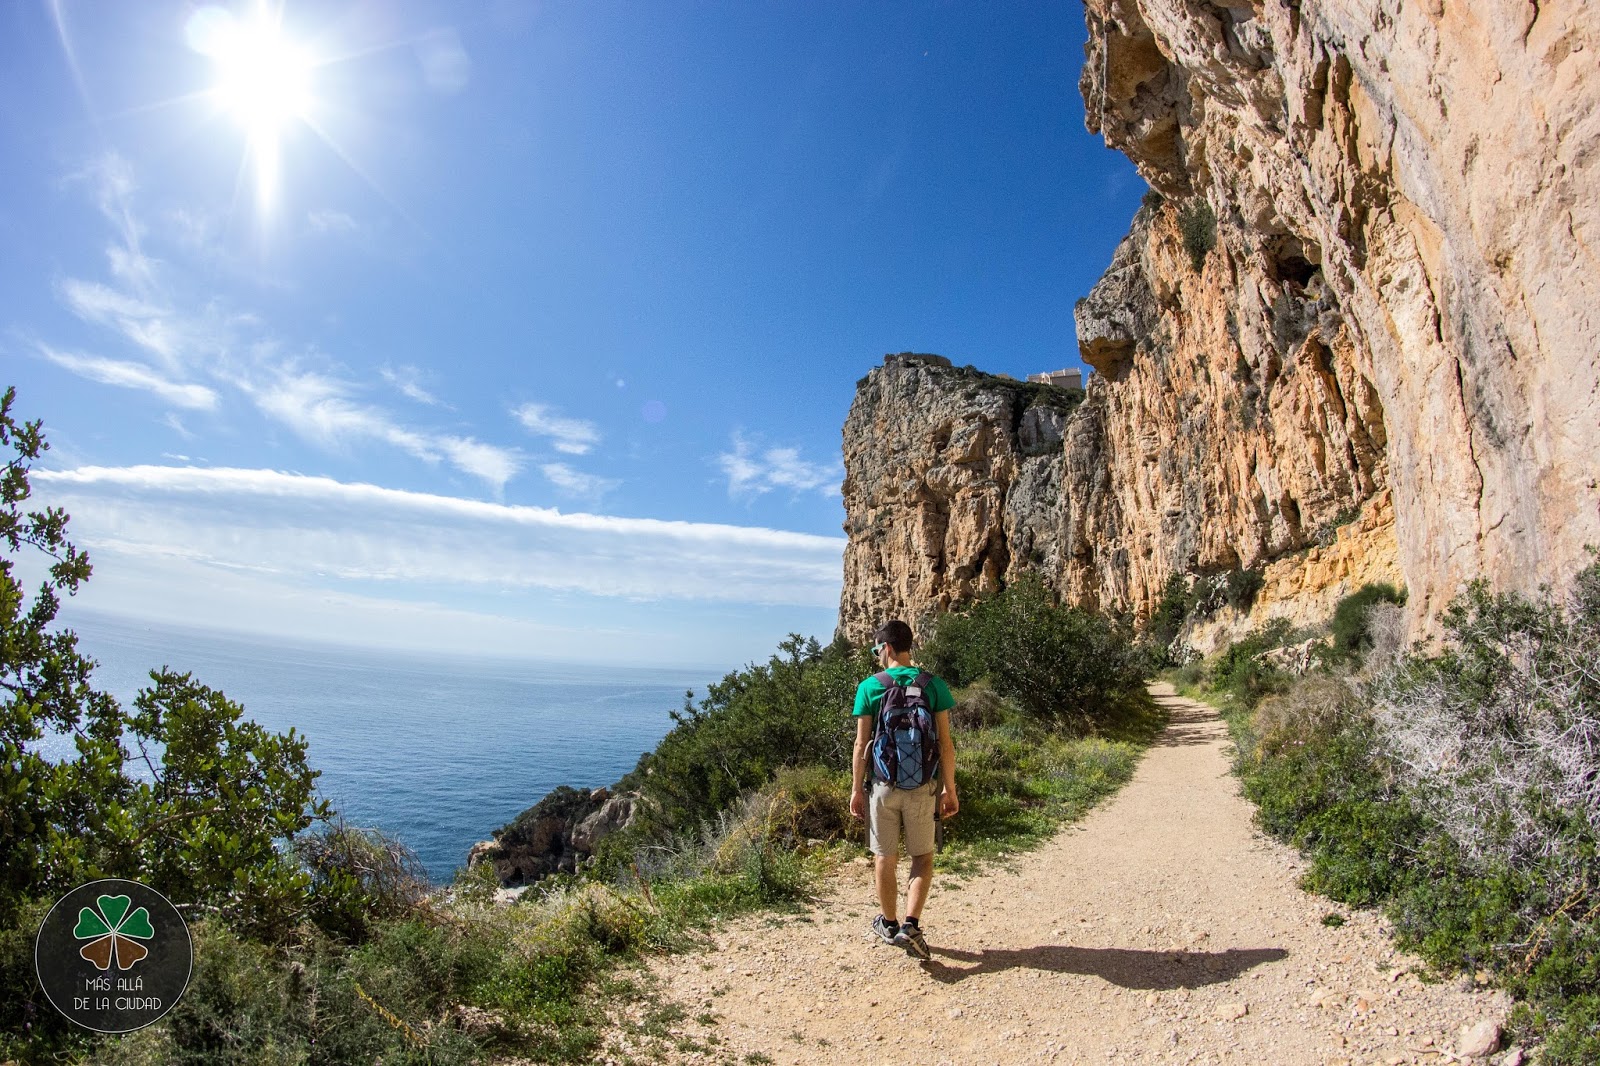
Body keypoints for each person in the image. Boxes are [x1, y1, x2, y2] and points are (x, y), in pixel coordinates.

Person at [849, 619, 958, 960]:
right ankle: (911, 924)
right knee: (922, 856)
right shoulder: (933, 685)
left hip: (883, 785)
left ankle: (889, 923)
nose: (877, 656)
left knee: (885, 855)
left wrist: (856, 789)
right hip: (923, 785)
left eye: (876, 649)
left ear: (888, 648)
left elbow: (860, 744)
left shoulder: (870, 686)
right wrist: (949, 789)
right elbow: (945, 743)